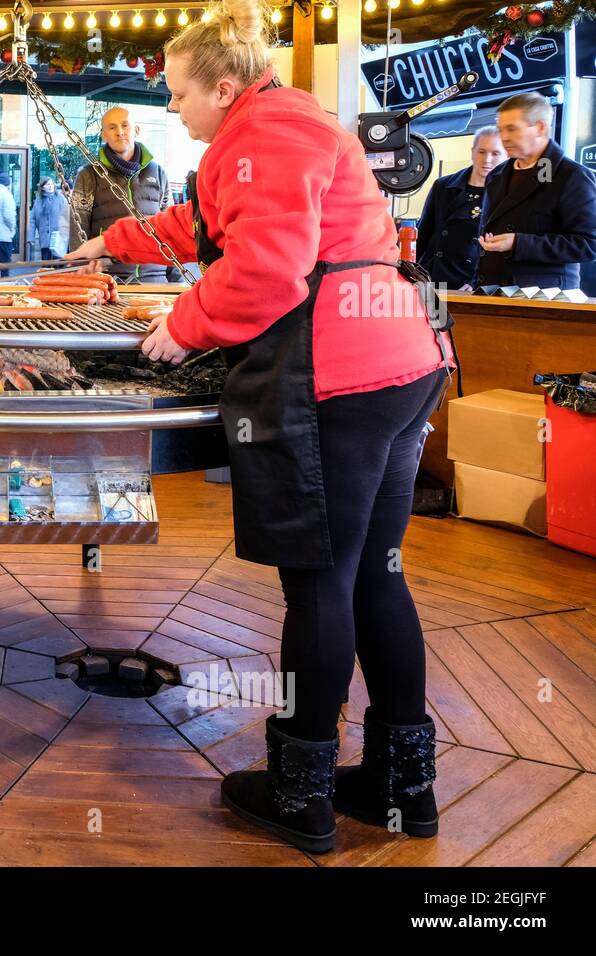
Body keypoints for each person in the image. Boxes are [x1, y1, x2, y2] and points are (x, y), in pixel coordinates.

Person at [68, 0, 456, 854]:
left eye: (177, 94)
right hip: (401, 363)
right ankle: (403, 786)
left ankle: (300, 795)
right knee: (373, 576)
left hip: (335, 374)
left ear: (225, 86)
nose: (171, 108)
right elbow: (205, 223)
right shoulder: (285, 122)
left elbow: (266, 274)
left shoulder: (260, 135)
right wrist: (115, 241)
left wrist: (185, 324)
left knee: (319, 582)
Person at [477, 92, 596, 290]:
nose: (504, 137)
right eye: (501, 129)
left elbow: (589, 244)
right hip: (491, 291)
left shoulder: (570, 175)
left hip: (544, 300)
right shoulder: (496, 175)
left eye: (512, 129)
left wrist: (519, 243)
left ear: (540, 127)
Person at [71, 105, 172, 283]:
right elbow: (77, 227)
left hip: (155, 277)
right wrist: (82, 268)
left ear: (136, 130)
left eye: (125, 125)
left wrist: (175, 275)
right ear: (104, 135)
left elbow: (169, 226)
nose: (120, 132)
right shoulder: (89, 174)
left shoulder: (158, 173)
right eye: (112, 127)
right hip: (109, 277)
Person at [416, 127, 506, 290]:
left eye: (495, 154)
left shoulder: (505, 197)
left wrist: (476, 285)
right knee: (431, 316)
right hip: (430, 278)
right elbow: (422, 234)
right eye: (481, 152)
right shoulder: (443, 186)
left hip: (467, 285)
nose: (487, 160)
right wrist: (410, 274)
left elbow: (498, 255)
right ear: (472, 152)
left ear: (506, 157)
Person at [30, 177, 69, 260]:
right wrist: (31, 237)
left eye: (51, 184)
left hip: (58, 237)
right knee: (45, 263)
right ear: (42, 187)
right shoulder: (38, 201)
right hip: (44, 237)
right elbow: (32, 219)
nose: (50, 186)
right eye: (47, 184)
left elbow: (66, 216)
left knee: (58, 264)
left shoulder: (60, 198)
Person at [0, 173, 18, 276]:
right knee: (5, 261)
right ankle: (5, 281)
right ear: (8, 184)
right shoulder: (6, 195)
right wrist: (12, 229)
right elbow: (9, 216)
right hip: (3, 233)